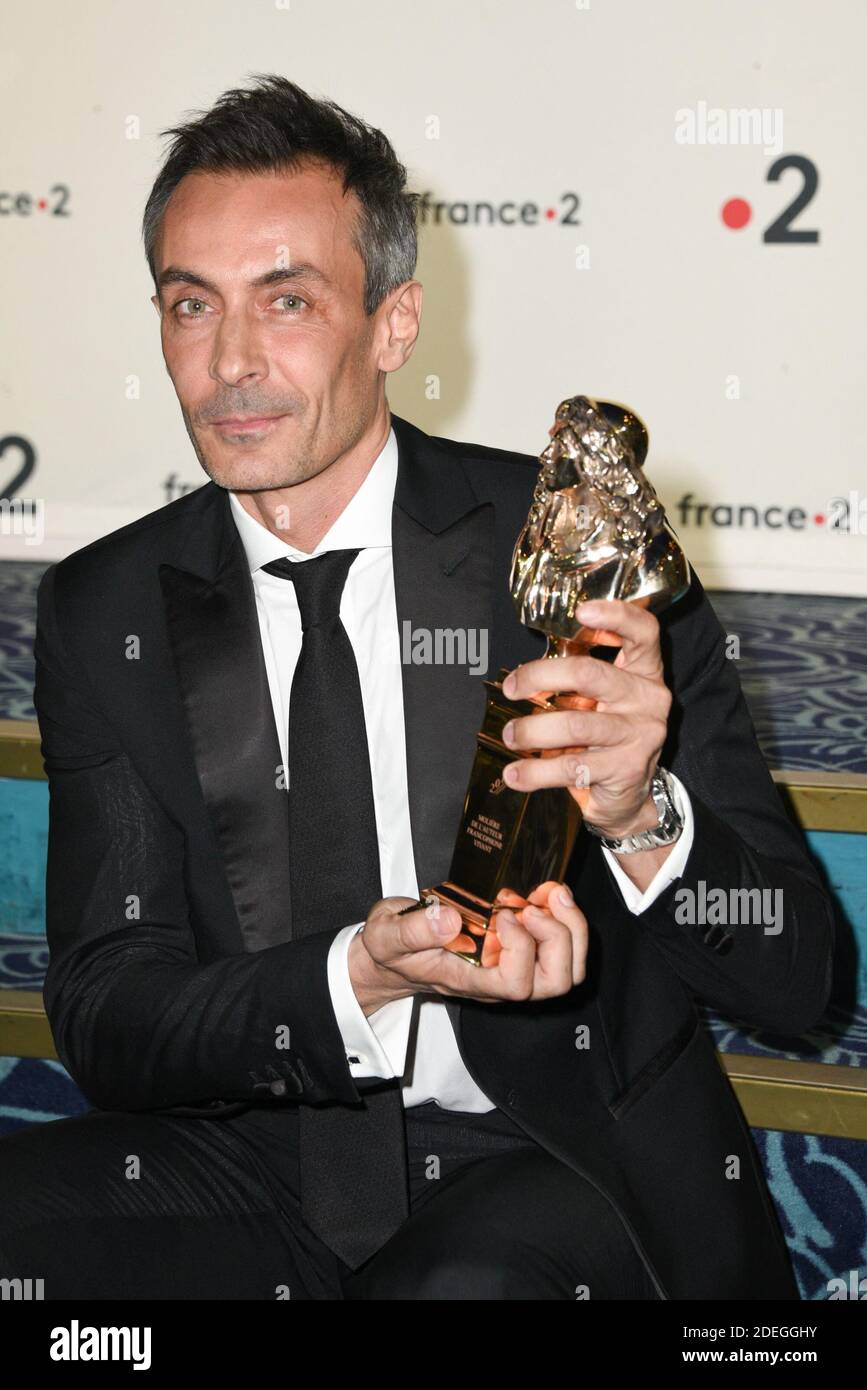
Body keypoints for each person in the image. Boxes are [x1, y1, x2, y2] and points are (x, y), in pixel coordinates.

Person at [0, 75, 834, 1301]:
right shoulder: (105, 610)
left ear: (394, 324)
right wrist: (360, 976)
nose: (231, 362)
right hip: (259, 1147)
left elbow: (799, 976)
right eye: (192, 305)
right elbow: (112, 1017)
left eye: (287, 301)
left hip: (556, 1152)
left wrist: (642, 817)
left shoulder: (575, 553)